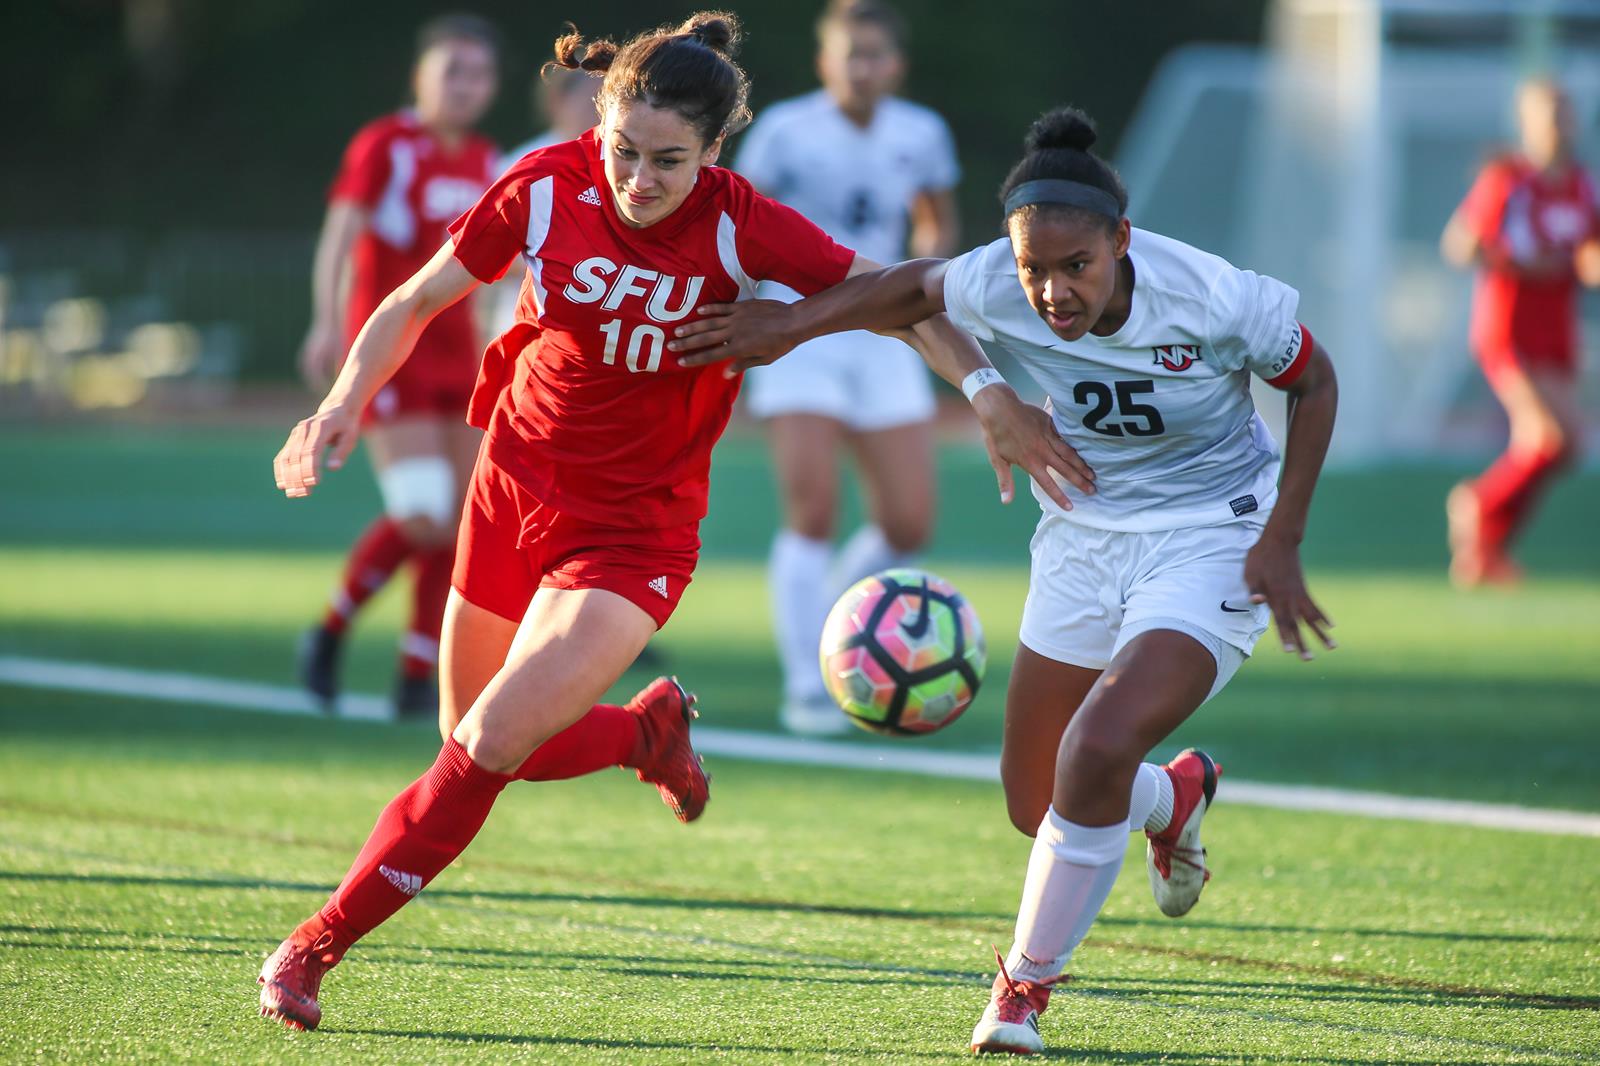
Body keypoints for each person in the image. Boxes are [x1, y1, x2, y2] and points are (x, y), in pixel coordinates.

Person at [260, 13, 1081, 1032]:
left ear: (715, 152)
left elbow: (902, 301)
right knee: (469, 733)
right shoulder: (546, 186)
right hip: (511, 486)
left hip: (633, 531)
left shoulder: (742, 222)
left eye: (668, 162)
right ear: (595, 124)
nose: (638, 183)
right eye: (623, 154)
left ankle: (312, 947)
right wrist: (340, 403)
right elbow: (416, 299)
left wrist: (989, 391)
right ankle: (642, 737)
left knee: (485, 743)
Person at [672, 106, 1339, 1056]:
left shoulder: (1215, 297)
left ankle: (1022, 990)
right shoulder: (995, 278)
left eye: (1077, 267)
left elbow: (1315, 384)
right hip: (1080, 534)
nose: (1053, 291)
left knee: (1094, 747)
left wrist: (1283, 535)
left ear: (1122, 239)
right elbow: (907, 292)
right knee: (1040, 801)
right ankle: (1172, 799)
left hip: (1213, 536)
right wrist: (789, 330)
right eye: (1034, 270)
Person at [735, 0, 961, 735]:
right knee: (813, 508)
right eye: (848, 54)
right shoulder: (784, 131)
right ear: (823, 61)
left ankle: (839, 614)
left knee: (907, 520)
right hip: (800, 331)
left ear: (895, 64)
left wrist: (933, 283)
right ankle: (808, 683)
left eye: (874, 55)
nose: (861, 68)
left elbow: (936, 218)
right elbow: (737, 221)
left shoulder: (922, 131)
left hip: (883, 331)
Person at [296, 14, 501, 717]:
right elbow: (341, 235)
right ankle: (329, 629)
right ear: (420, 76)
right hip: (392, 359)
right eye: (452, 70)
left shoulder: (488, 162)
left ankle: (418, 675)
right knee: (421, 515)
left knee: (463, 521)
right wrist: (326, 322)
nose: (464, 86)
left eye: (477, 74)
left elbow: (499, 276)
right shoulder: (387, 145)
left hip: (461, 364)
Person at [1441, 77, 1599, 586]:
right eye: (1548, 113)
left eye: (1564, 113)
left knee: (1564, 444)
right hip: (1508, 330)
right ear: (1527, 121)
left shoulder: (1581, 185)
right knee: (1551, 437)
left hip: (1556, 330)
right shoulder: (1508, 180)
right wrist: (1510, 258)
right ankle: (1477, 507)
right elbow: (1459, 246)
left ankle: (1486, 548)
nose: (1558, 124)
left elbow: (1588, 254)